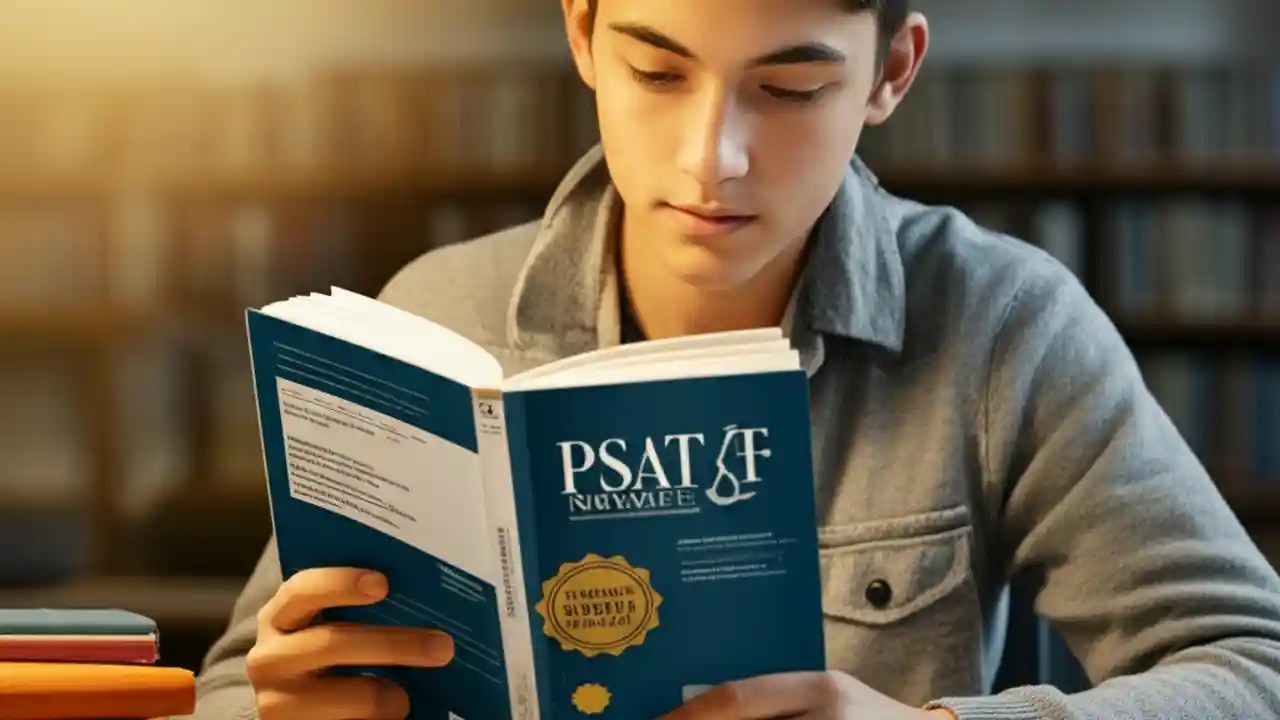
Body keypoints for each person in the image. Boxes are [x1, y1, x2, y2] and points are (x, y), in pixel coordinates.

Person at [187, 1, 1280, 718]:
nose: (711, 159)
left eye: (790, 89)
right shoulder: (437, 313)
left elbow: (1253, 666)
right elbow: (238, 683)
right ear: (579, 31)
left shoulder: (1000, 327)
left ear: (890, 71)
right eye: (657, 73)